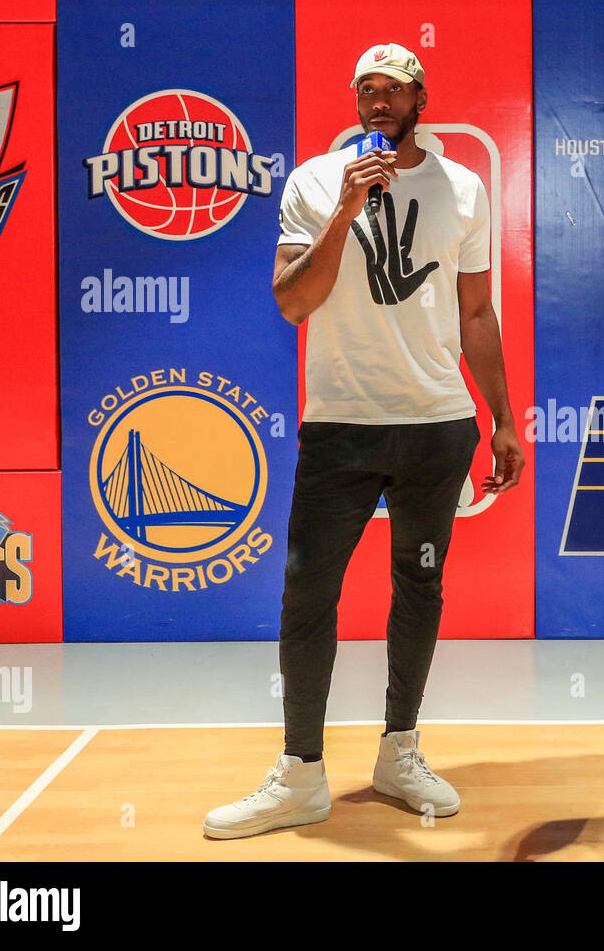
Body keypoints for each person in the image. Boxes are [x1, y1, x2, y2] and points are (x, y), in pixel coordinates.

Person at [204, 43, 523, 839]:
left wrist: (505, 418)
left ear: (422, 98)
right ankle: (300, 774)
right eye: (366, 91)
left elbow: (477, 314)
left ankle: (399, 751)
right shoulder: (316, 181)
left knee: (419, 589)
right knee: (308, 593)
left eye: (394, 90)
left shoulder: (464, 187)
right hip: (341, 424)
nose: (378, 102)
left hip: (436, 425)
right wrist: (346, 211)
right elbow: (291, 302)